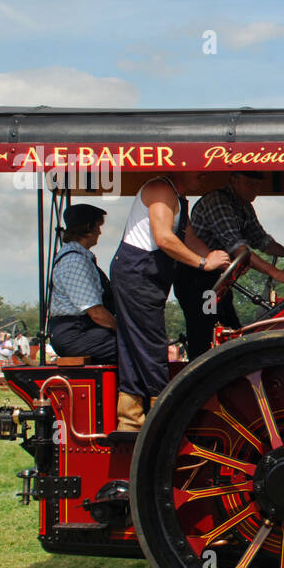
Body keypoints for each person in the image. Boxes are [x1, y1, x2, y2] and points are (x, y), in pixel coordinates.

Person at [110, 172, 228, 431]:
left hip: (145, 273)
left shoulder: (177, 196)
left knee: (137, 341)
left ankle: (131, 418)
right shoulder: (161, 190)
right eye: (199, 170)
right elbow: (164, 238)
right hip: (138, 272)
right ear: (183, 169)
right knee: (149, 343)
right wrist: (202, 263)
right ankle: (160, 417)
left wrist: (216, 258)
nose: (205, 176)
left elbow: (187, 238)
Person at [174, 170, 284, 359]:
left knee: (232, 328)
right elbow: (239, 249)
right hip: (195, 275)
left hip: (217, 276)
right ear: (234, 180)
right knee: (202, 329)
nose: (254, 190)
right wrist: (277, 274)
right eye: (250, 184)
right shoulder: (217, 202)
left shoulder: (244, 207)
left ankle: (232, 369)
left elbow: (262, 241)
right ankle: (201, 379)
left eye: (257, 185)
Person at [48, 203, 118, 364]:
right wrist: (124, 331)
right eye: (98, 227)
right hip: (76, 333)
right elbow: (97, 313)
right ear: (87, 227)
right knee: (133, 348)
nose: (100, 232)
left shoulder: (80, 258)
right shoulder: (75, 261)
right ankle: (132, 389)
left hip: (80, 330)